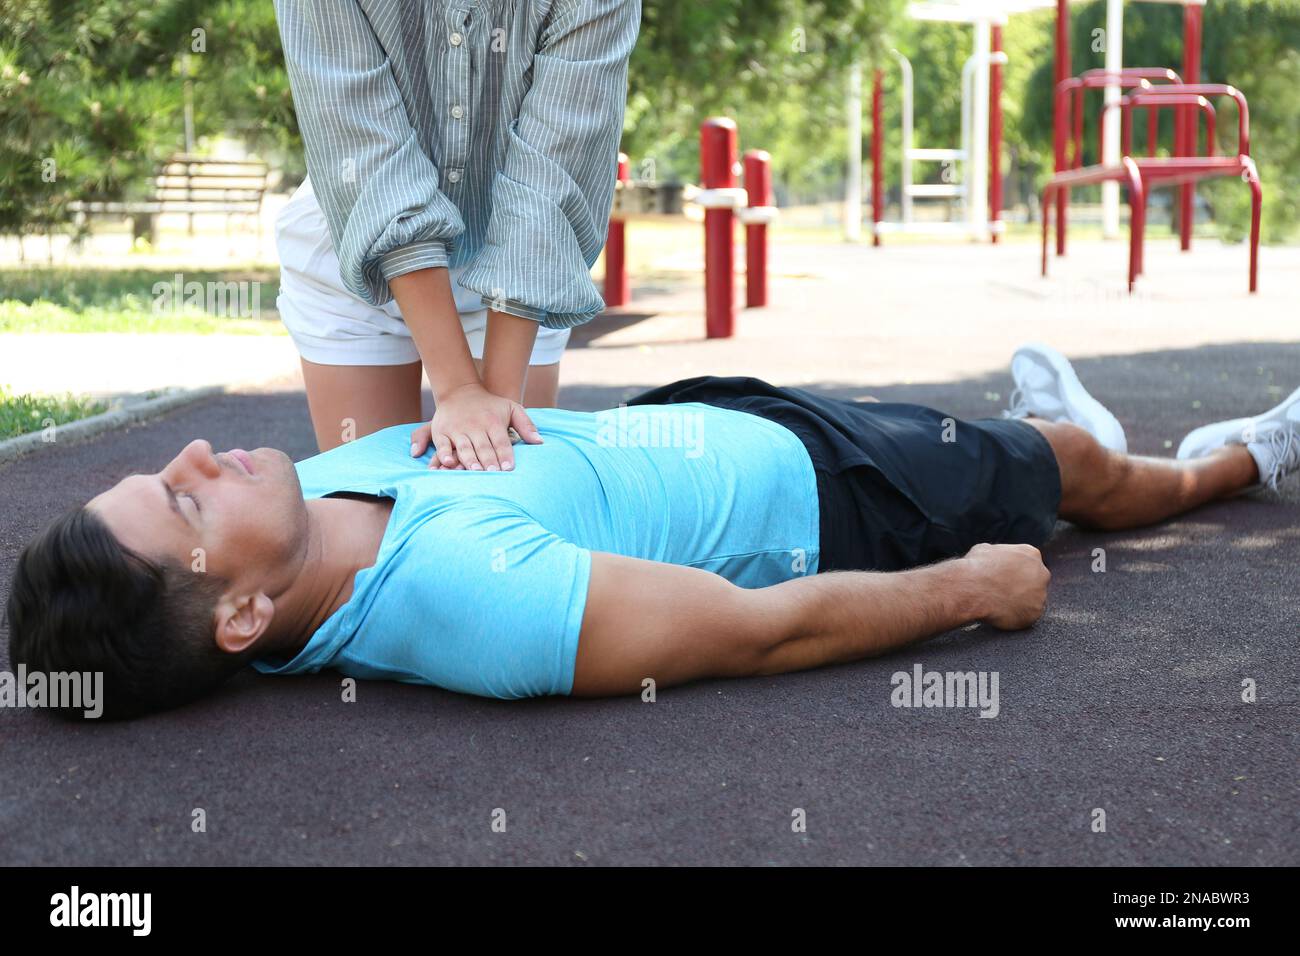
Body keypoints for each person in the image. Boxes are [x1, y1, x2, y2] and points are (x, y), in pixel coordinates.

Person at [7, 345, 1298, 720]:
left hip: (711, 421)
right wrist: (965, 589)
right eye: (183, 500)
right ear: (238, 615)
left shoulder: (289, 508)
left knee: (1011, 444)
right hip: (832, 500)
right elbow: (750, 634)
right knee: (1068, 474)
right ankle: (1231, 461)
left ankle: (1056, 439)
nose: (193, 457)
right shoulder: (470, 602)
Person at [272, 0, 641, 464]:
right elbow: (363, 145)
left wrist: (492, 410)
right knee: (370, 509)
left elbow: (554, 171)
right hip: (360, 240)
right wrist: (459, 388)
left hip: (519, 271)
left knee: (502, 494)